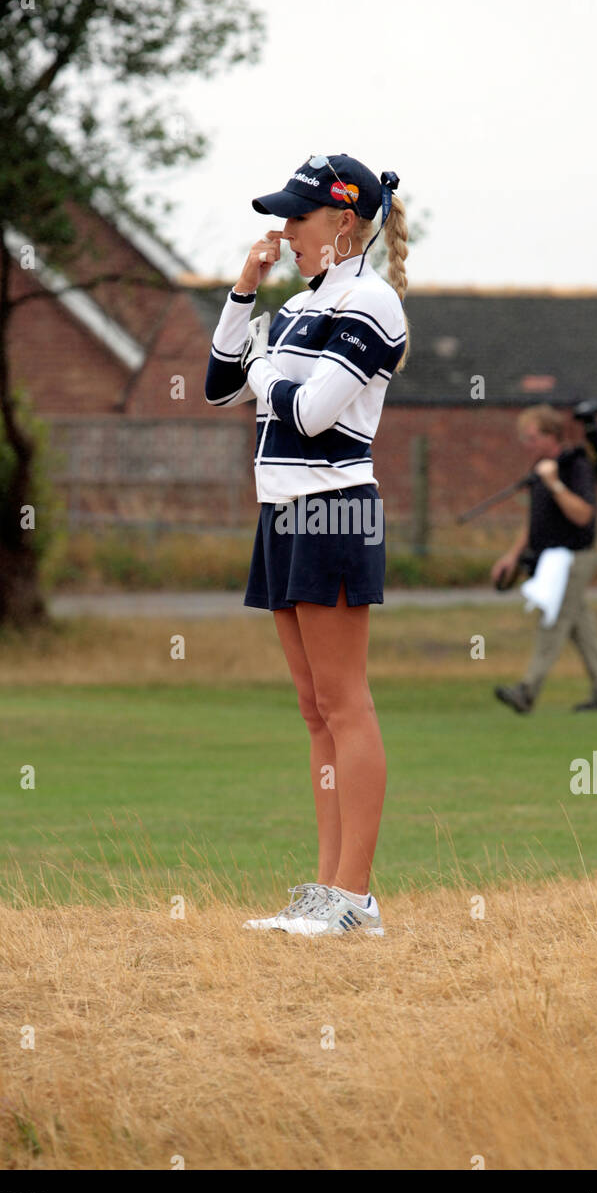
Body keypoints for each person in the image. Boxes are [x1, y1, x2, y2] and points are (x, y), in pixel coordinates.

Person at [205, 154, 409, 936]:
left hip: (332, 511)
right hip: (281, 511)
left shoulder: (373, 301)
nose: (284, 231)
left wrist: (260, 365)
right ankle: (328, 894)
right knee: (316, 710)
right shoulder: (293, 308)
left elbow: (315, 413)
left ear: (344, 223)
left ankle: (354, 899)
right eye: (284, 218)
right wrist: (244, 294)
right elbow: (224, 383)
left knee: (346, 704)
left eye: (299, 217)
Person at [491, 404, 597, 715]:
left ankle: (527, 691)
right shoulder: (541, 467)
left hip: (572, 558)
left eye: (532, 436)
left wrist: (554, 484)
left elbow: (583, 514)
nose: (527, 443)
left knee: (553, 621)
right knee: (582, 629)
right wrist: (513, 554)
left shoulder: (575, 465)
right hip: (549, 559)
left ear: (551, 435)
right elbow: (536, 520)